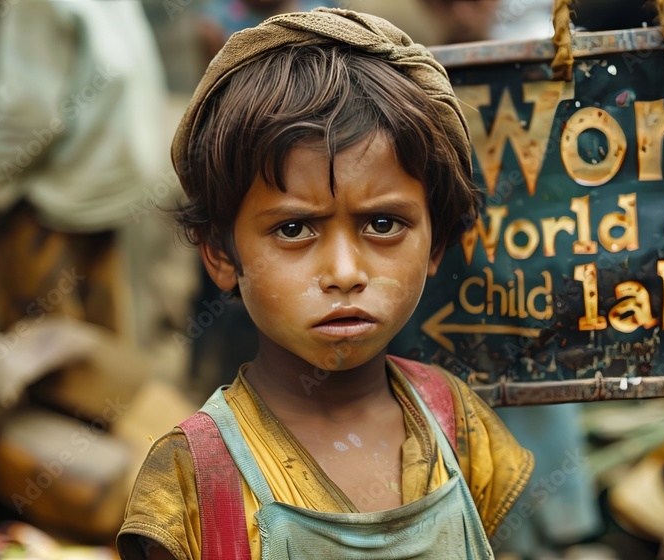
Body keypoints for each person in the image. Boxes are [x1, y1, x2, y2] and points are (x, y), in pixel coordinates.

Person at [117, 8, 533, 560]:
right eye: (293, 229)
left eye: (383, 225)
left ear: (435, 244)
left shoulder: (456, 422)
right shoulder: (193, 476)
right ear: (220, 253)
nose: (344, 273)